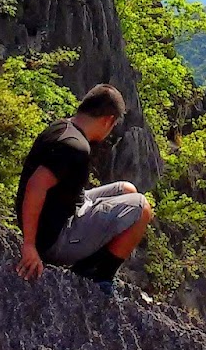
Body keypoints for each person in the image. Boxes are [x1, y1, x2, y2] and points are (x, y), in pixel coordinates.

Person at [14, 85, 153, 292]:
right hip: (56, 239)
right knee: (142, 208)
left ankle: (91, 263)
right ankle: (97, 277)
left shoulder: (61, 127)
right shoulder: (75, 148)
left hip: (60, 213)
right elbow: (36, 186)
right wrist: (29, 246)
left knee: (128, 190)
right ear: (108, 120)